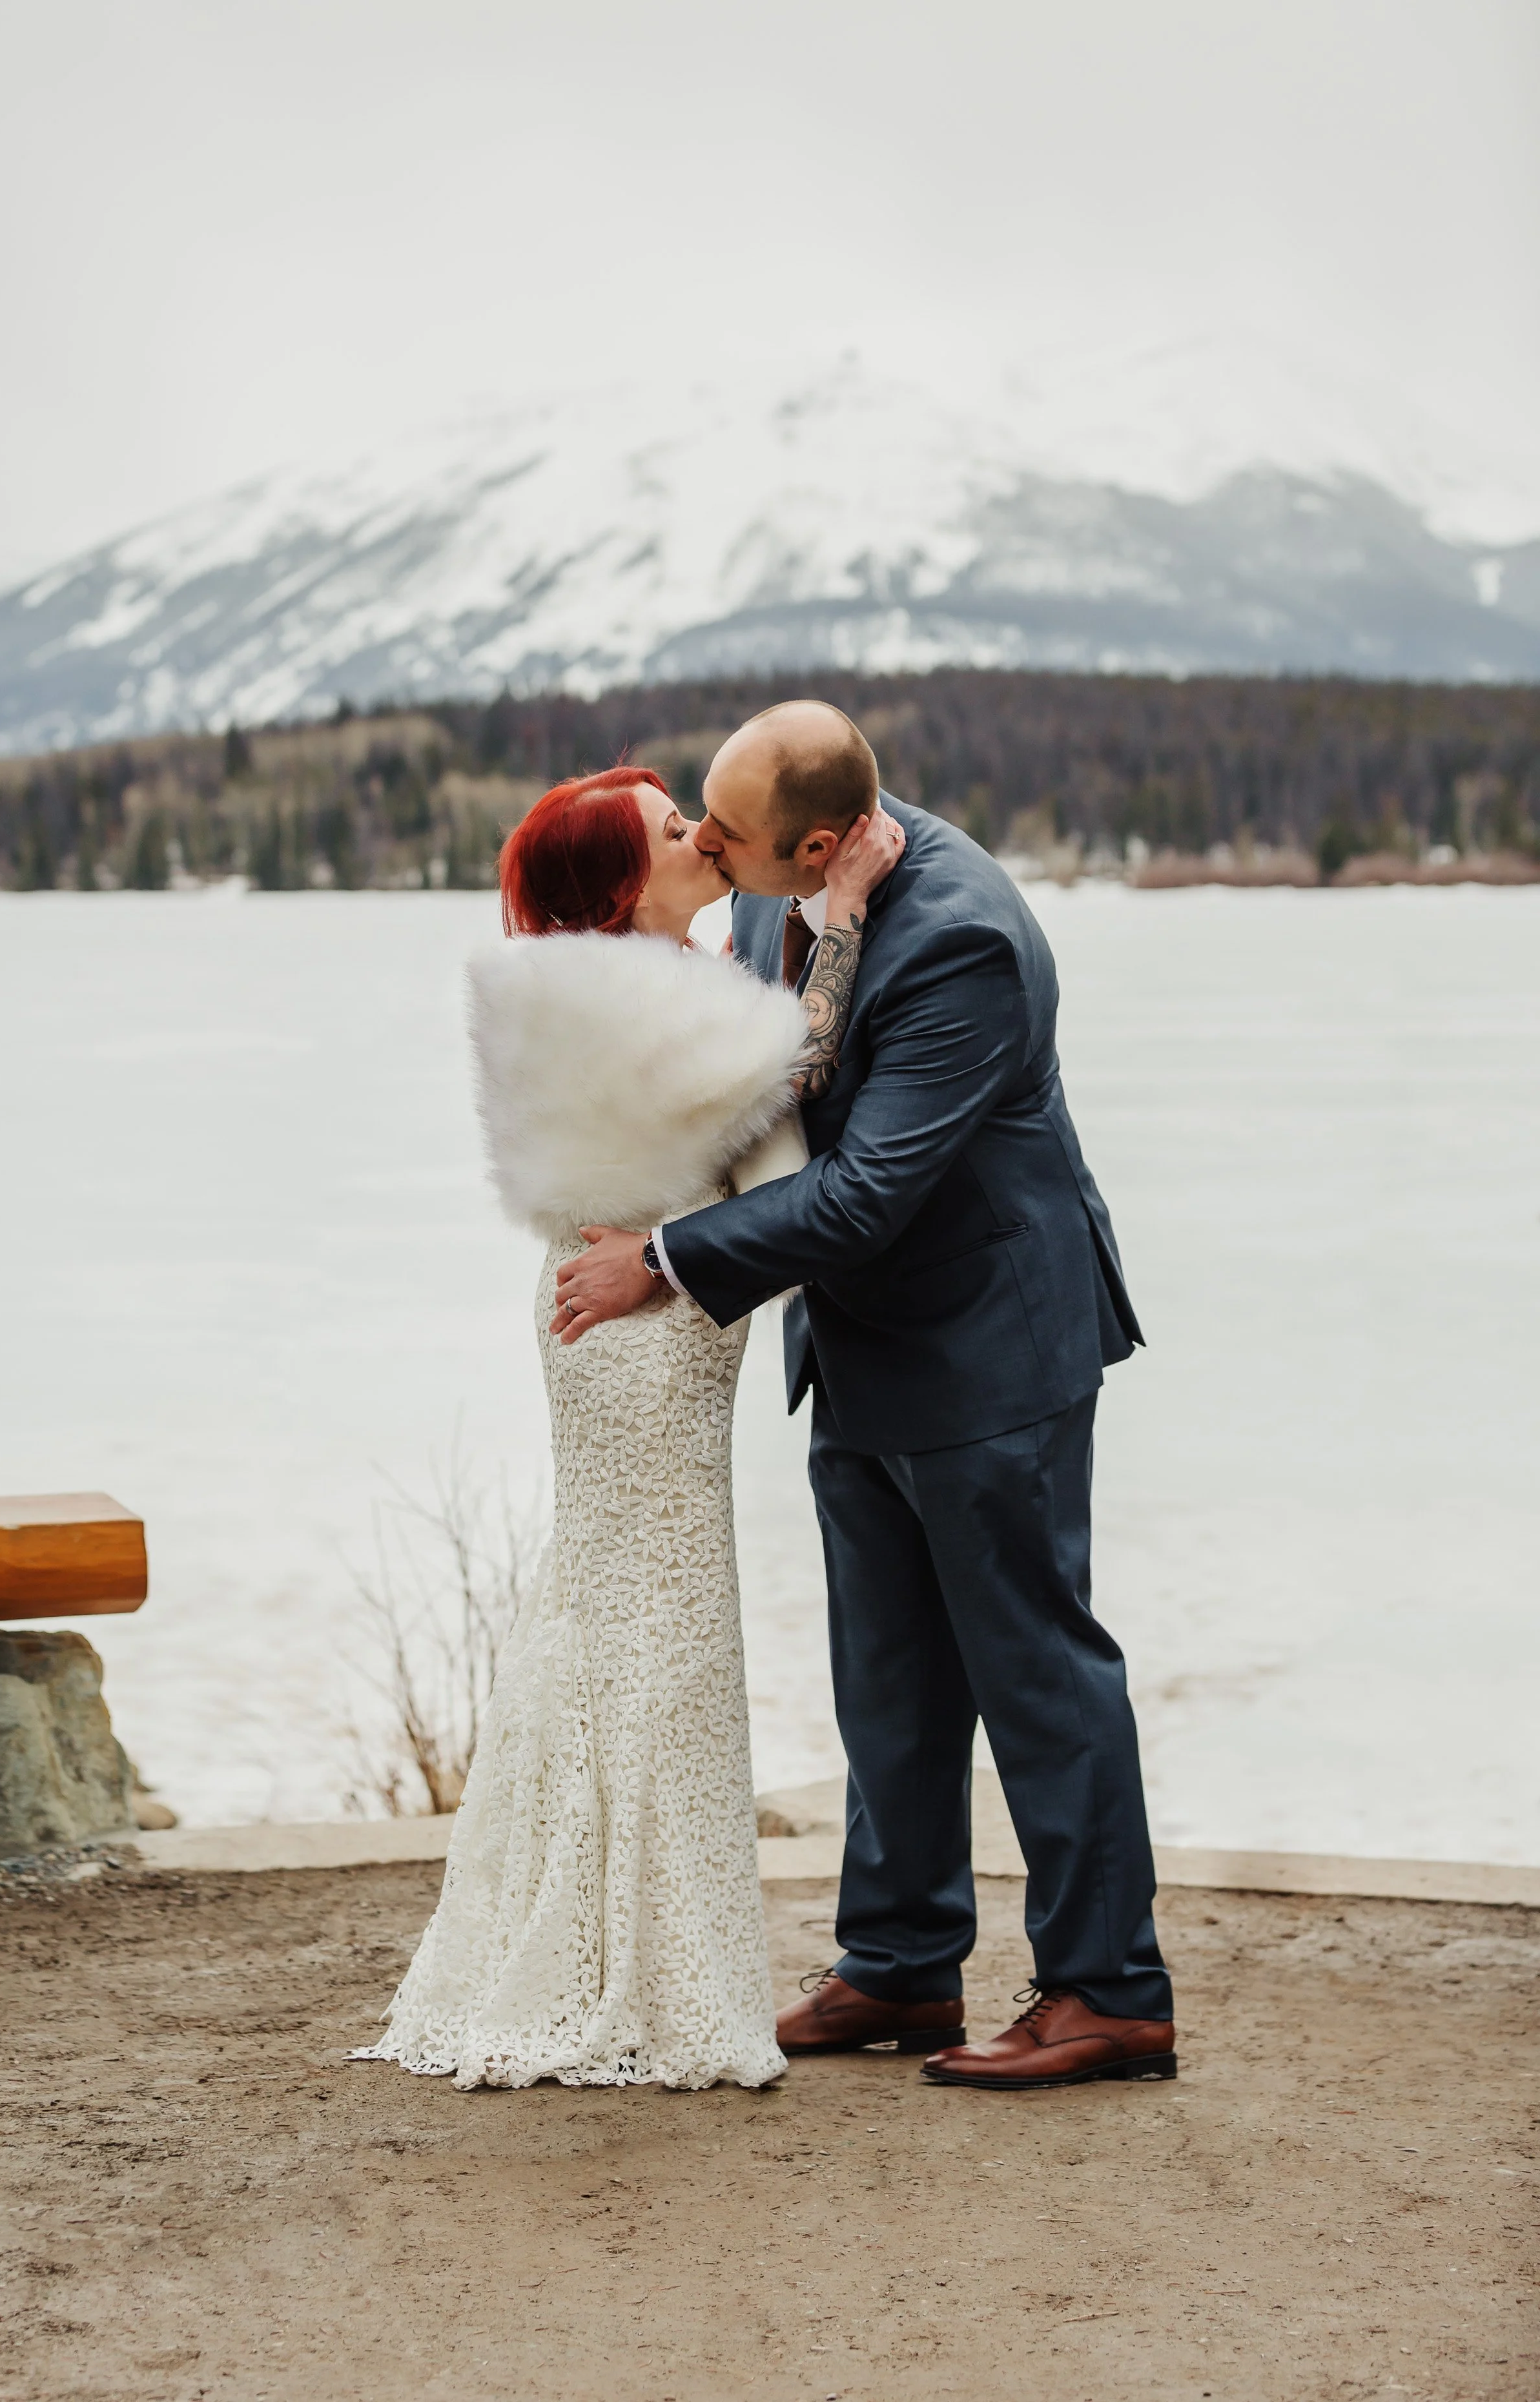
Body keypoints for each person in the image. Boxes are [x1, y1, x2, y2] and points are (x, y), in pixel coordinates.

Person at [551, 703, 1176, 2091]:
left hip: (989, 1352)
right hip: (864, 1347)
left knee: (1037, 1672)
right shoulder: (788, 887)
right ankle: (898, 1966)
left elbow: (867, 1191)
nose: (708, 849)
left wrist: (663, 1258)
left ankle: (1111, 1993)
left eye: (729, 835)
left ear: (821, 844)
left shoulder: (960, 939)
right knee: (887, 1677)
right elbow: (779, 1081)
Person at [354, 763, 903, 2090]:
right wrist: (840, 914)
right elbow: (797, 1077)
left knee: (607, 1608)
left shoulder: (631, 980)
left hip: (633, 1311)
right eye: (672, 831)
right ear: (618, 884)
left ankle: (603, 1932)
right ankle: (643, 1970)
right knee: (658, 1621)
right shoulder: (627, 995)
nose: (702, 837)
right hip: (635, 1327)